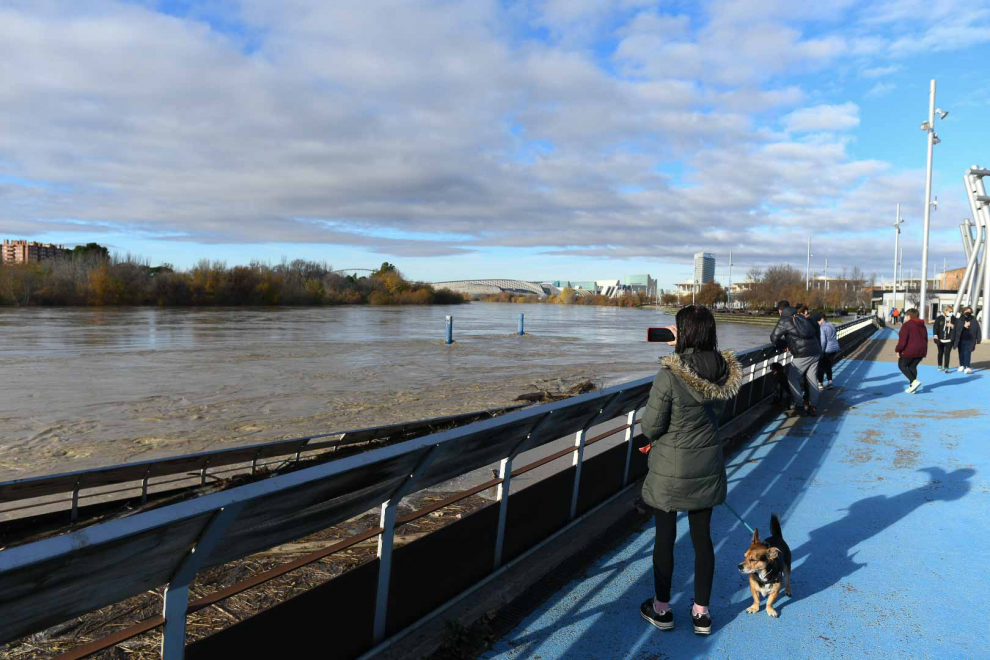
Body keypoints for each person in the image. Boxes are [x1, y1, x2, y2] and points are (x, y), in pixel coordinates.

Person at [639, 305, 743, 636]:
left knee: (665, 538)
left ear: (682, 333)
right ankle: (701, 613)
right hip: (707, 463)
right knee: (702, 540)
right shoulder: (723, 372)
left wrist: (679, 355)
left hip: (670, 467)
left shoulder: (669, 375)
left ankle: (662, 609)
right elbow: (716, 410)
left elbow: (651, 426)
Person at [769, 300, 822, 416]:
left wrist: (784, 345)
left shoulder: (784, 320)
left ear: (780, 311)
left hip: (802, 354)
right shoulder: (800, 316)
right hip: (815, 351)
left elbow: (773, 338)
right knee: (812, 379)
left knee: (792, 378)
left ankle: (799, 406)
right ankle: (813, 407)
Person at [895, 308, 928, 393]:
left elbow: (903, 340)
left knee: (902, 365)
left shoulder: (907, 325)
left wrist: (898, 350)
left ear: (908, 316)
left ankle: (913, 381)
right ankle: (912, 387)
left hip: (910, 349)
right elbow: (925, 338)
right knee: (912, 367)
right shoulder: (922, 325)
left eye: (905, 316)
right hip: (921, 350)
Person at [952, 306, 982, 374]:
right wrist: (964, 326)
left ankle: (967, 367)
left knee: (967, 353)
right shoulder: (959, 320)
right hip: (960, 339)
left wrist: (979, 339)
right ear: (963, 312)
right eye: (966, 311)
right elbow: (955, 330)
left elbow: (978, 330)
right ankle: (962, 365)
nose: (968, 312)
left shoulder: (973, 320)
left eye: (969, 311)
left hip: (970, 340)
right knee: (961, 353)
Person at [815, 313, 840, 389]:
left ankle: (820, 382)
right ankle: (830, 382)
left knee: (821, 366)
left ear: (822, 319)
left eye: (818, 321)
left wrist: (821, 352)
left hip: (827, 349)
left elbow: (823, 341)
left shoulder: (822, 327)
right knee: (828, 365)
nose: (817, 322)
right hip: (835, 348)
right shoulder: (831, 325)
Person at [932, 305, 955, 372]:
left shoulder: (953, 318)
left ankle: (946, 367)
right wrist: (935, 335)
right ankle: (939, 365)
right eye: (950, 311)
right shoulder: (939, 318)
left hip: (949, 339)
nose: (951, 313)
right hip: (940, 339)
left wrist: (952, 325)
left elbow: (957, 328)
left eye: (952, 311)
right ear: (945, 311)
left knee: (947, 353)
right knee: (940, 352)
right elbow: (935, 327)